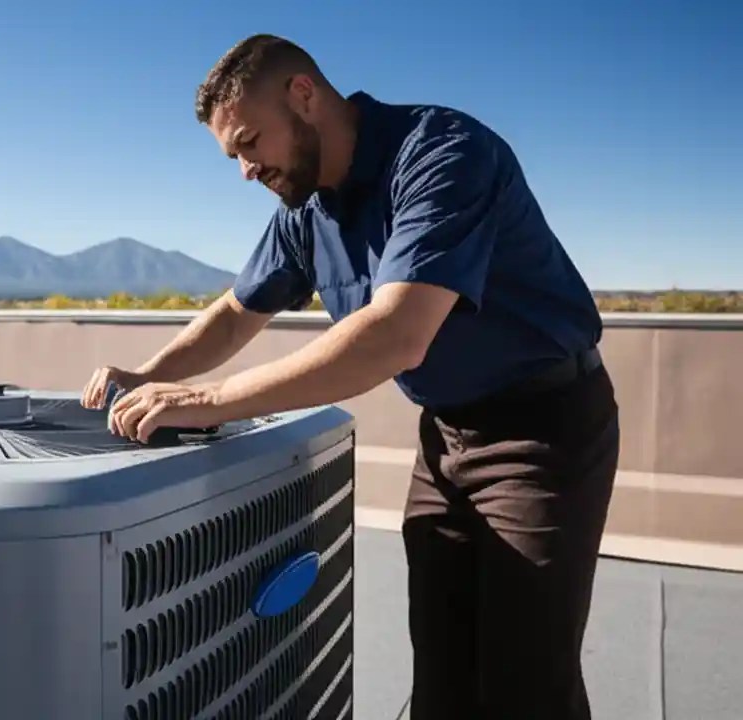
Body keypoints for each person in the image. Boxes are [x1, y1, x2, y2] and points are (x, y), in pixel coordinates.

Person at [80, 33, 619, 720]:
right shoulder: (304, 210)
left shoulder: (442, 153)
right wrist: (145, 376)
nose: (244, 169)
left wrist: (209, 400)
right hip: (447, 435)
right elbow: (236, 314)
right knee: (444, 665)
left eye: (249, 142)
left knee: (525, 677)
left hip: (543, 431)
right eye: (233, 155)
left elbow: (395, 335)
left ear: (303, 95)